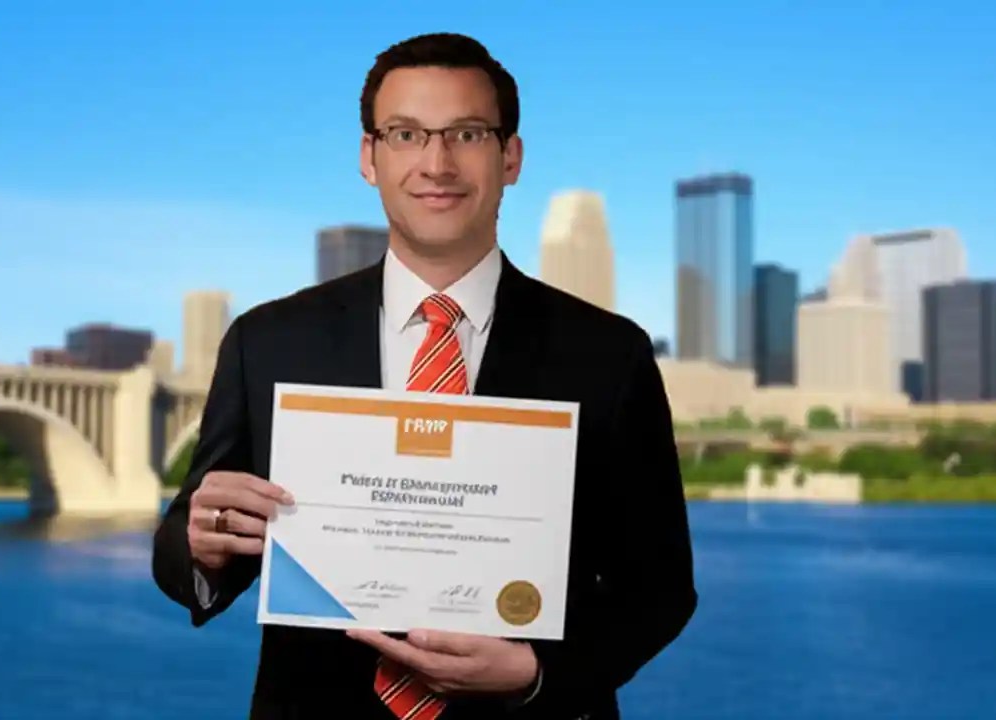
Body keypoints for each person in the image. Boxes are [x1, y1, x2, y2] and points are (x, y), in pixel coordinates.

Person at [152, 31, 697, 720]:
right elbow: (184, 553)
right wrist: (202, 548)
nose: (436, 162)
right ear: (369, 157)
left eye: (466, 133)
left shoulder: (609, 355)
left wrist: (536, 672)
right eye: (406, 134)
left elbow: (661, 587)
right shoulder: (268, 342)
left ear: (511, 157)